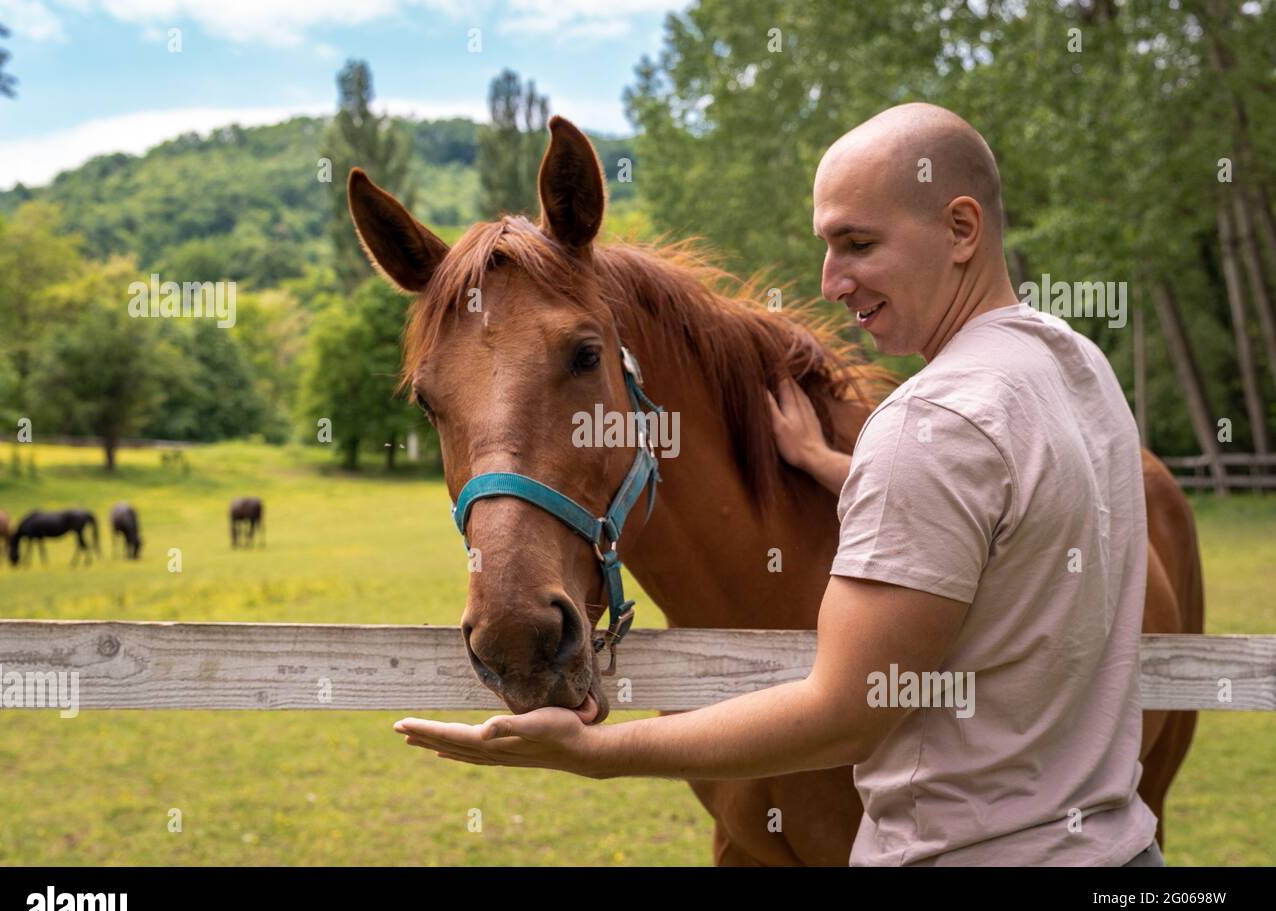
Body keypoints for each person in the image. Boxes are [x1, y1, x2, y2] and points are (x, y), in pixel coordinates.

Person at [394, 103, 1161, 867]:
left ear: (962, 229)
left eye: (859, 244)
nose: (831, 282)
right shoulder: (1077, 367)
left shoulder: (928, 427)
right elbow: (1002, 509)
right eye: (828, 245)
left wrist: (597, 752)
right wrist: (847, 469)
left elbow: (847, 715)